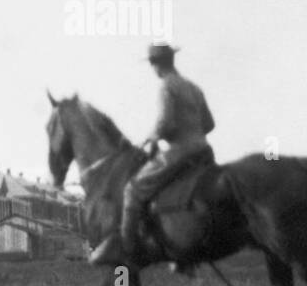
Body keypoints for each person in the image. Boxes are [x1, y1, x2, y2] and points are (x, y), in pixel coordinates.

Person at [90, 42, 215, 265]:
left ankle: (126, 250)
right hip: (204, 152)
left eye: (152, 65)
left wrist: (151, 138)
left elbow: (165, 123)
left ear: (156, 65)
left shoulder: (167, 86)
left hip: (181, 151)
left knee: (132, 190)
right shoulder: (195, 88)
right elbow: (209, 124)